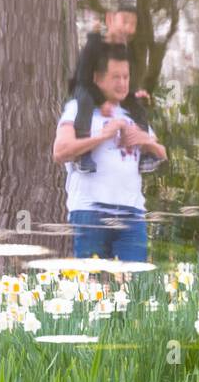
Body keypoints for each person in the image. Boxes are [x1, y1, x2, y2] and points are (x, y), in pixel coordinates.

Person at [52, 43, 166, 261]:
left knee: (135, 280)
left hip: (132, 214)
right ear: (98, 78)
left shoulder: (133, 112)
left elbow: (162, 153)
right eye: (115, 77)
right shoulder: (79, 109)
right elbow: (60, 151)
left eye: (126, 77)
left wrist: (146, 141)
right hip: (90, 213)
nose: (122, 83)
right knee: (91, 281)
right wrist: (102, 136)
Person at [68, 0, 151, 173]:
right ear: (110, 19)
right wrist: (101, 101)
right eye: (125, 22)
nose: (129, 29)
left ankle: (144, 152)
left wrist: (134, 93)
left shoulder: (124, 50)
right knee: (85, 101)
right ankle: (83, 155)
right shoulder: (94, 45)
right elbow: (83, 78)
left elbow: (122, 80)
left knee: (138, 106)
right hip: (86, 88)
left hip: (109, 93)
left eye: (133, 24)